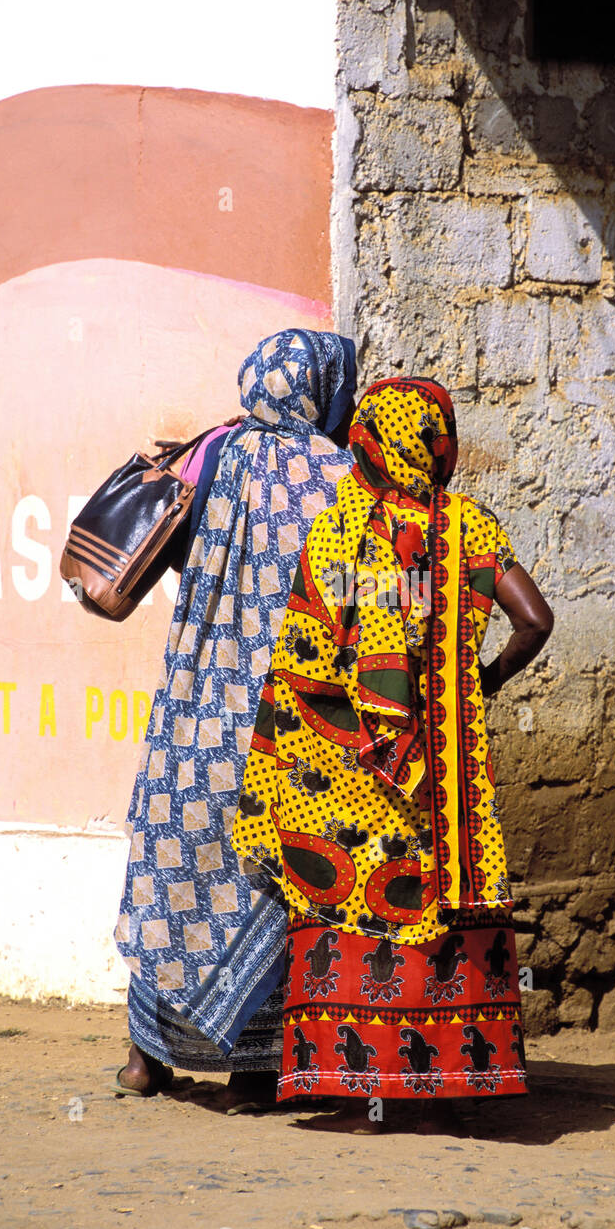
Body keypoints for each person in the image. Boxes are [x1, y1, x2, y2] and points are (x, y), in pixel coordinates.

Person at [231, 376, 553, 1131]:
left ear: (369, 441)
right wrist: (476, 686)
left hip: (347, 775)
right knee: (443, 903)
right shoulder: (469, 527)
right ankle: (453, 1086)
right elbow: (536, 620)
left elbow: (304, 662)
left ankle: (364, 1091)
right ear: (439, 444)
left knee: (354, 905)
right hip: (446, 774)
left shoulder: (339, 528)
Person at [112, 329, 356, 1099]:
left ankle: (142, 1060)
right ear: (321, 389)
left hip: (196, 701)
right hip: (279, 712)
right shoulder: (342, 475)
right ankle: (256, 1069)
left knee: (173, 863)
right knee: (261, 876)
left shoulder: (212, 453)